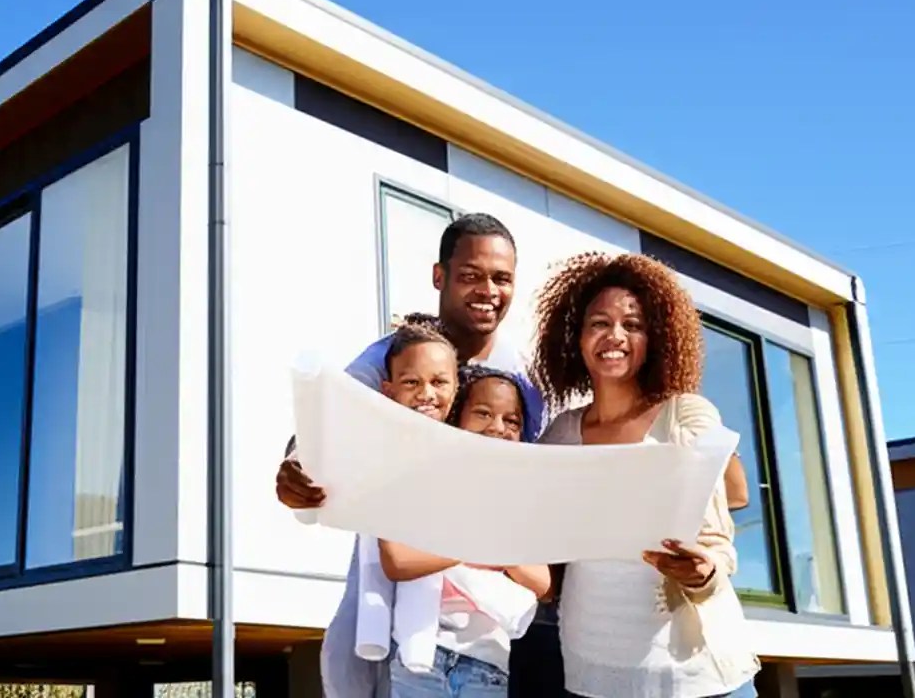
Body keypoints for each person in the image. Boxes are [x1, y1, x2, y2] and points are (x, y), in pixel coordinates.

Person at [277, 212, 546, 697]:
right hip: (392, 603)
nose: (487, 290)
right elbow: (329, 414)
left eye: (501, 278)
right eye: (470, 275)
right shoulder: (391, 355)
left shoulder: (522, 380)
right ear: (439, 277)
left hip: (485, 635)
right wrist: (298, 463)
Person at [529, 252, 760, 698]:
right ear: (575, 338)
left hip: (695, 675)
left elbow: (716, 544)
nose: (614, 336)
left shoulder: (686, 417)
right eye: (599, 323)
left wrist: (702, 572)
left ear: (654, 339)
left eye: (632, 325)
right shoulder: (559, 435)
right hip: (591, 669)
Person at [370, 323, 551, 697]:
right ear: (457, 416)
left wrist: (483, 551)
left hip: (487, 667)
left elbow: (542, 582)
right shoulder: (418, 474)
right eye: (483, 413)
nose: (498, 427)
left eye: (511, 420)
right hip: (420, 660)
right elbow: (397, 560)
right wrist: (479, 547)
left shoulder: (518, 497)